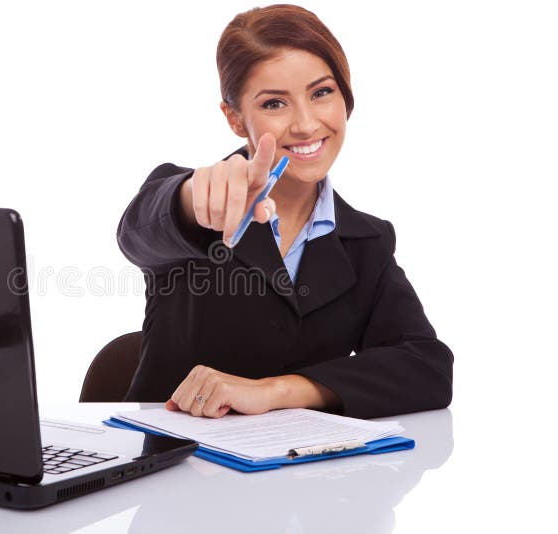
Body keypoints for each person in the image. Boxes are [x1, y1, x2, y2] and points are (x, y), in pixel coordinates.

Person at [116, 4, 453, 419]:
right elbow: (137, 233)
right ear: (235, 118)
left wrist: (277, 390)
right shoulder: (195, 204)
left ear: (346, 97)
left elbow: (426, 367)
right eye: (275, 103)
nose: (306, 124)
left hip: (294, 460)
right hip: (170, 454)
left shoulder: (368, 241)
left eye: (321, 93)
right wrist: (193, 198)